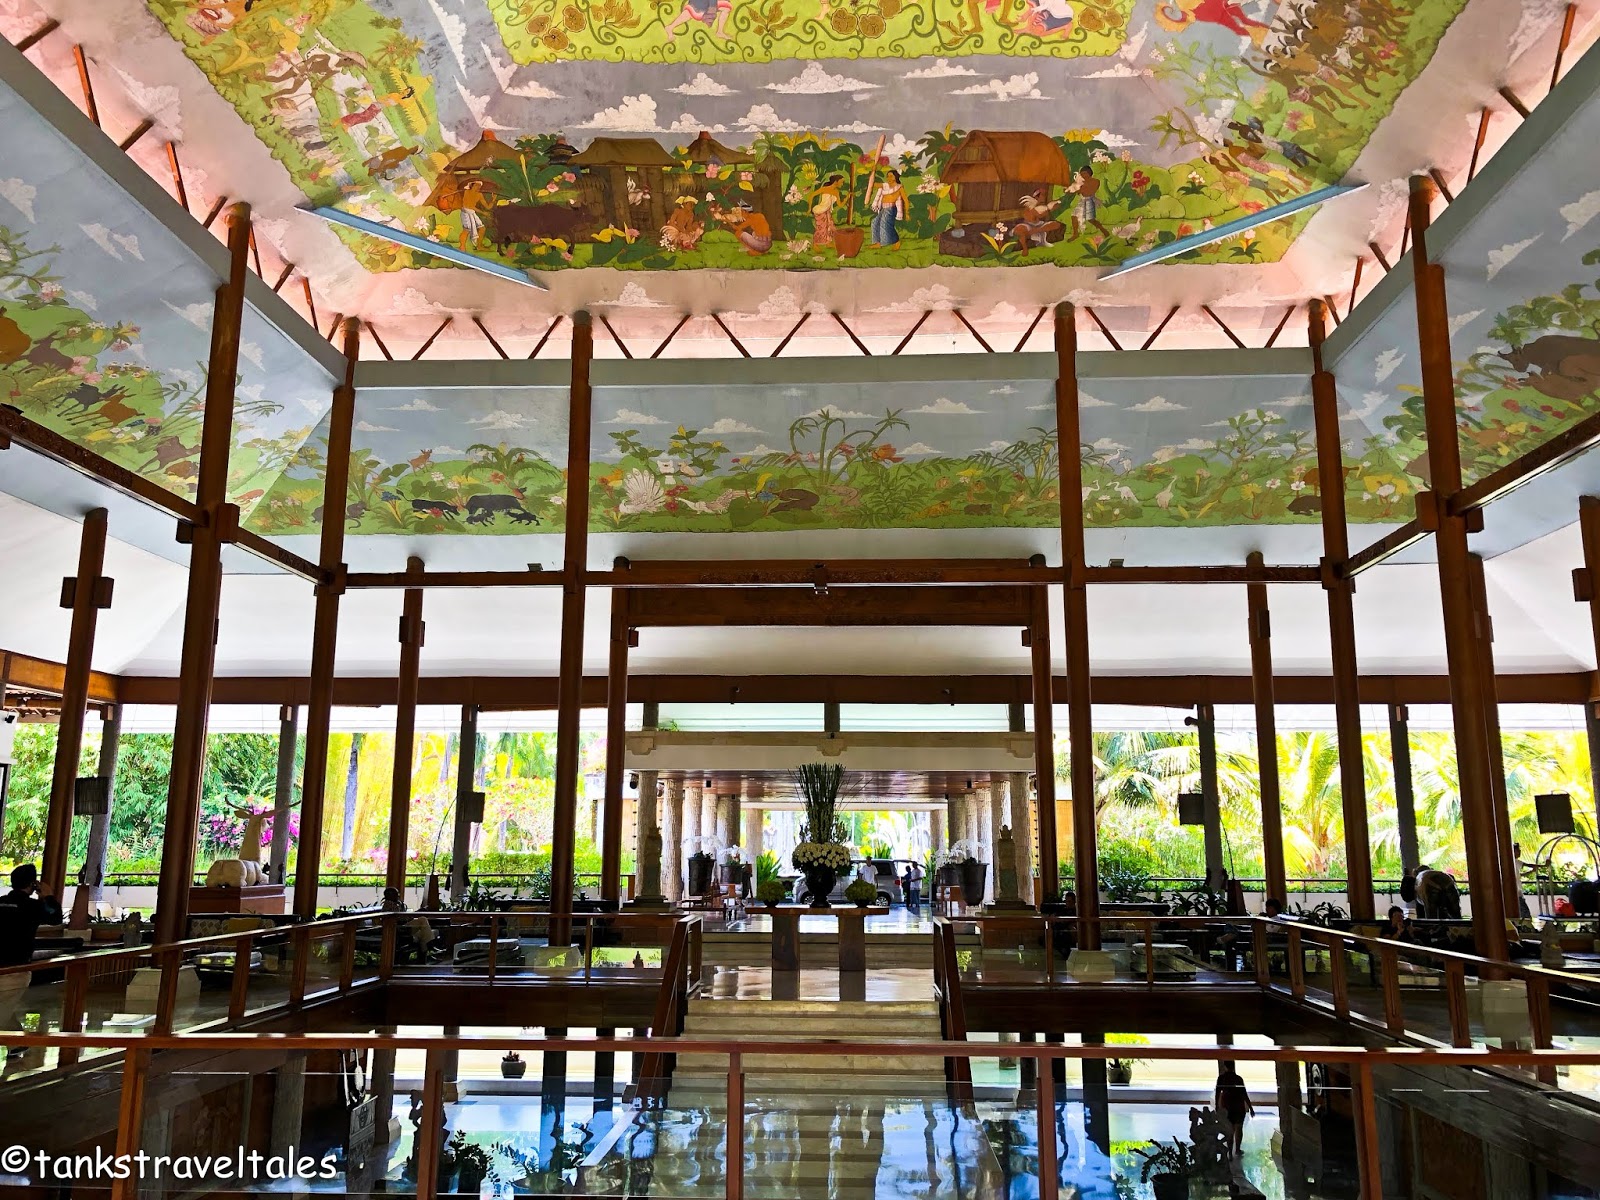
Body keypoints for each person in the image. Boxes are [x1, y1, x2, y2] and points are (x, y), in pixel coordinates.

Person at [0, 865, 62, 1037]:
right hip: (17, 969)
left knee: (4, 1009)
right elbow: (56, 917)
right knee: (3, 1010)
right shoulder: (33, 907)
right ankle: (19, 1043)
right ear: (33, 884)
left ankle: (17, 1044)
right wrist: (48, 896)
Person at [1213, 1060, 1254, 1158]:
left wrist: (1217, 1107)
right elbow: (1244, 1093)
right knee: (1238, 1128)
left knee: (1229, 1130)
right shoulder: (1238, 1079)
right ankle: (1237, 1149)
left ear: (1225, 1067)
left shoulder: (1222, 1078)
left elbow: (1218, 1093)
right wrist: (1250, 1107)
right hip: (1238, 1106)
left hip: (1227, 1106)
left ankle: (1230, 1152)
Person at [1067, 164, 1110, 240]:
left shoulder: (1095, 181)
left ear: (1089, 173)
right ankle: (1075, 234)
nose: (1082, 175)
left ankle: (1104, 230)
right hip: (1082, 200)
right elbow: (1079, 191)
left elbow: (1089, 191)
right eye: (1081, 174)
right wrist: (1073, 189)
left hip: (1089, 200)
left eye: (1084, 173)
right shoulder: (1081, 183)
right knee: (1074, 216)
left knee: (1091, 219)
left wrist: (1080, 189)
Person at [870, 170, 907, 249]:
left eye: (891, 176)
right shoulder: (885, 185)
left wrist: (907, 213)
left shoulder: (899, 187)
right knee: (874, 222)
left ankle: (896, 241)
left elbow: (905, 200)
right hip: (884, 208)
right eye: (887, 176)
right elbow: (873, 184)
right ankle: (878, 242)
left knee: (886, 225)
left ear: (895, 177)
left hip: (891, 209)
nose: (888, 178)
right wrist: (871, 177)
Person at [812, 174, 843, 249]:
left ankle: (828, 242)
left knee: (830, 226)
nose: (842, 184)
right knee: (821, 228)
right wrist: (809, 208)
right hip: (820, 210)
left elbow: (840, 205)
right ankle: (815, 244)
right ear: (836, 182)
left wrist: (847, 198)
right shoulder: (825, 189)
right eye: (841, 182)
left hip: (827, 212)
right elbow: (812, 195)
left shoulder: (836, 192)